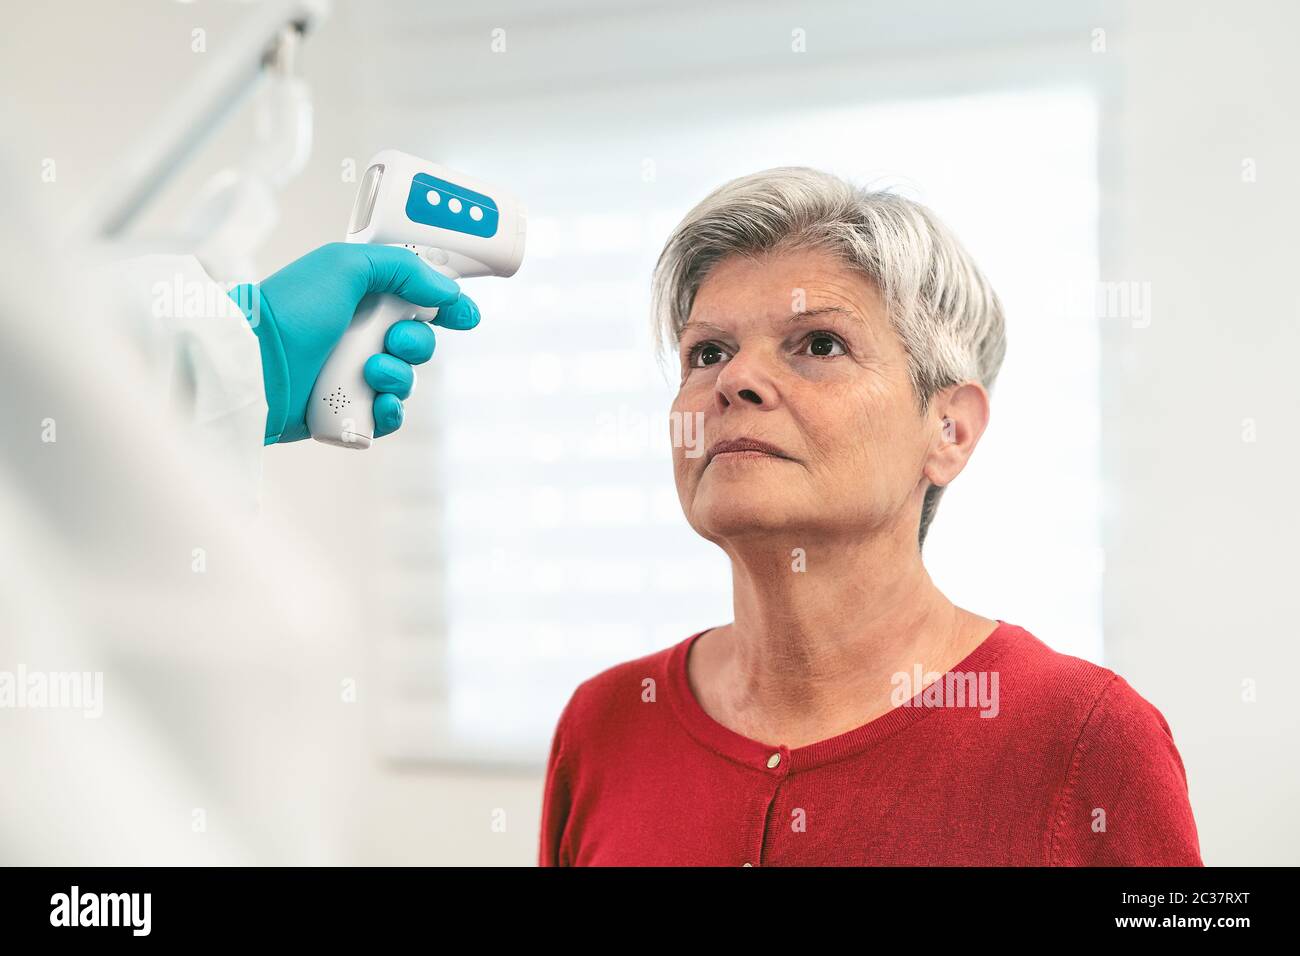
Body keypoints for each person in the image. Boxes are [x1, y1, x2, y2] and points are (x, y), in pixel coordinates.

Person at [538, 167, 1203, 866]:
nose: (734, 380)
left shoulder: (1085, 740)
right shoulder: (605, 723)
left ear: (949, 430)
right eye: (708, 352)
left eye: (820, 344)